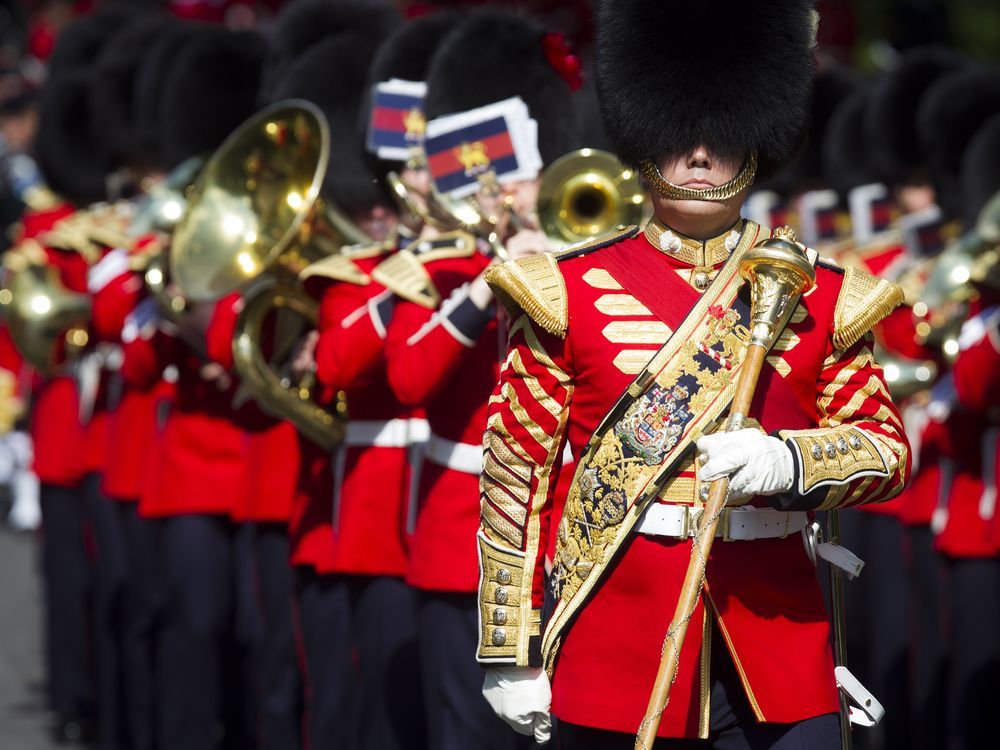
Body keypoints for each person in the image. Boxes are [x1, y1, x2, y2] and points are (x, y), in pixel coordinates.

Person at [477, 2, 910, 748]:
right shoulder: (564, 290)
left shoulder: (827, 294)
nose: (701, 155)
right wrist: (509, 648)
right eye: (679, 133)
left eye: (723, 134)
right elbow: (517, 475)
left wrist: (789, 460)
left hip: (776, 641)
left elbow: (888, 450)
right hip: (620, 638)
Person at [382, 9, 579, 750]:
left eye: (522, 176)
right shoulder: (438, 270)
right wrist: (485, 285)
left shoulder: (579, 264)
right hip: (461, 537)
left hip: (558, 536)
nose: (510, 194)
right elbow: (409, 376)